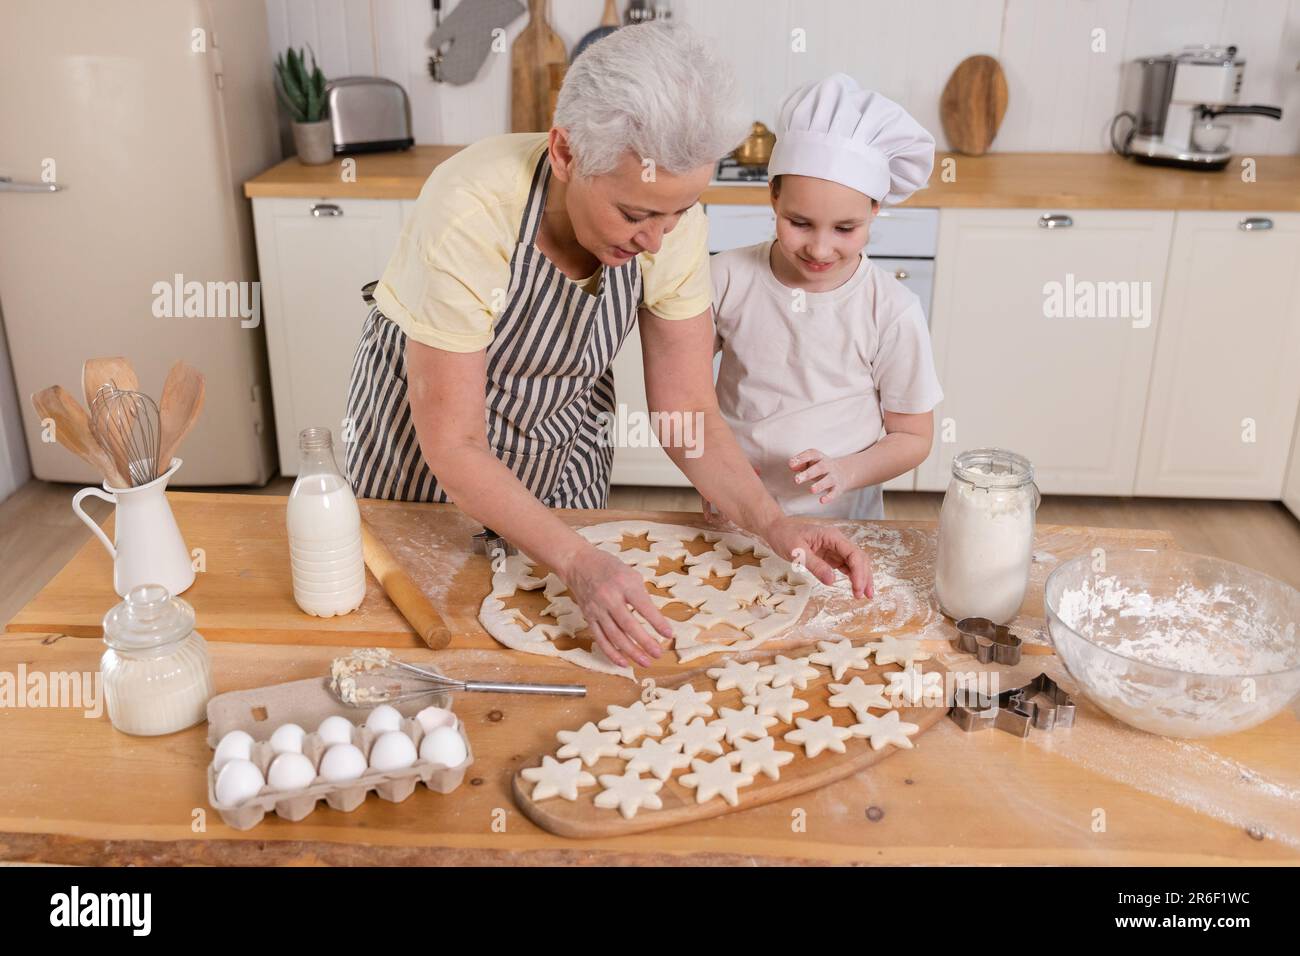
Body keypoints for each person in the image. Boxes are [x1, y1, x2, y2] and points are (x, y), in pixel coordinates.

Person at [344, 27, 873, 671]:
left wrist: (774, 526)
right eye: (634, 215)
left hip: (560, 437)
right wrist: (575, 559)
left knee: (562, 657)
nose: (657, 241)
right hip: (427, 456)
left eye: (677, 214)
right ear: (565, 154)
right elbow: (455, 443)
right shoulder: (472, 207)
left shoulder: (669, 215)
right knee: (425, 640)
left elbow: (688, 409)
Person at [707, 73, 943, 521]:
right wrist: (714, 472)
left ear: (875, 209)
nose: (819, 248)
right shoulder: (726, 278)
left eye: (844, 229)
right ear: (773, 195)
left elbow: (913, 437)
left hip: (844, 521)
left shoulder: (891, 310)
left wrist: (846, 471)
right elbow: (685, 392)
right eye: (799, 223)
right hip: (739, 514)